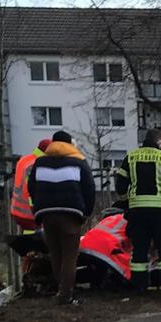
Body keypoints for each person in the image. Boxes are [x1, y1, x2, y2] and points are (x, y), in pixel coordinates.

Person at [27, 131, 96, 305]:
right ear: (70, 144)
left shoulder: (40, 162)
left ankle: (61, 289)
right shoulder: (79, 161)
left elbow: (31, 186)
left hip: (46, 214)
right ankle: (66, 294)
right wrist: (86, 212)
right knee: (70, 255)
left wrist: (39, 206)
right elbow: (89, 188)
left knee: (55, 253)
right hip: (71, 213)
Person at [116, 129, 161, 295]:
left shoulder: (131, 157)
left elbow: (120, 186)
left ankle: (139, 287)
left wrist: (127, 203)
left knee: (139, 250)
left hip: (137, 212)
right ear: (159, 142)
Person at [10, 139, 50, 232]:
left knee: (29, 232)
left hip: (17, 208)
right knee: (35, 234)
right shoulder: (36, 164)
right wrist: (36, 210)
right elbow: (32, 190)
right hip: (28, 211)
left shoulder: (25, 159)